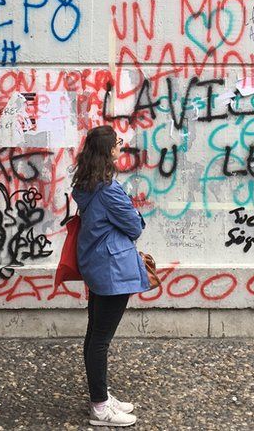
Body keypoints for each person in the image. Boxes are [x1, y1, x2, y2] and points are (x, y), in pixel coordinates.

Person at [71, 125, 150, 427]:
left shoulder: (86, 185)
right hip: (112, 270)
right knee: (100, 340)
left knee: (95, 335)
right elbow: (134, 227)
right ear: (108, 151)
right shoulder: (108, 190)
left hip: (98, 265)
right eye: (118, 141)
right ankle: (100, 407)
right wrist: (135, 214)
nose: (121, 144)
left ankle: (100, 395)